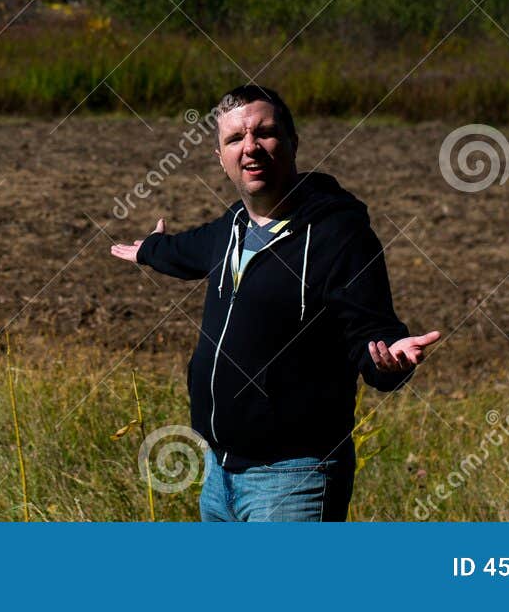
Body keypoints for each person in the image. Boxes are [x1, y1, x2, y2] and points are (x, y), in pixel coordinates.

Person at [111, 83, 440, 521]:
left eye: (264, 133)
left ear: (291, 142)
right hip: (218, 474)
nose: (250, 148)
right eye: (234, 139)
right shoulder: (231, 226)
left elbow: (370, 328)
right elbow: (188, 251)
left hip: (293, 480)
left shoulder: (337, 236)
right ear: (221, 158)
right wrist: (151, 250)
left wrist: (387, 360)